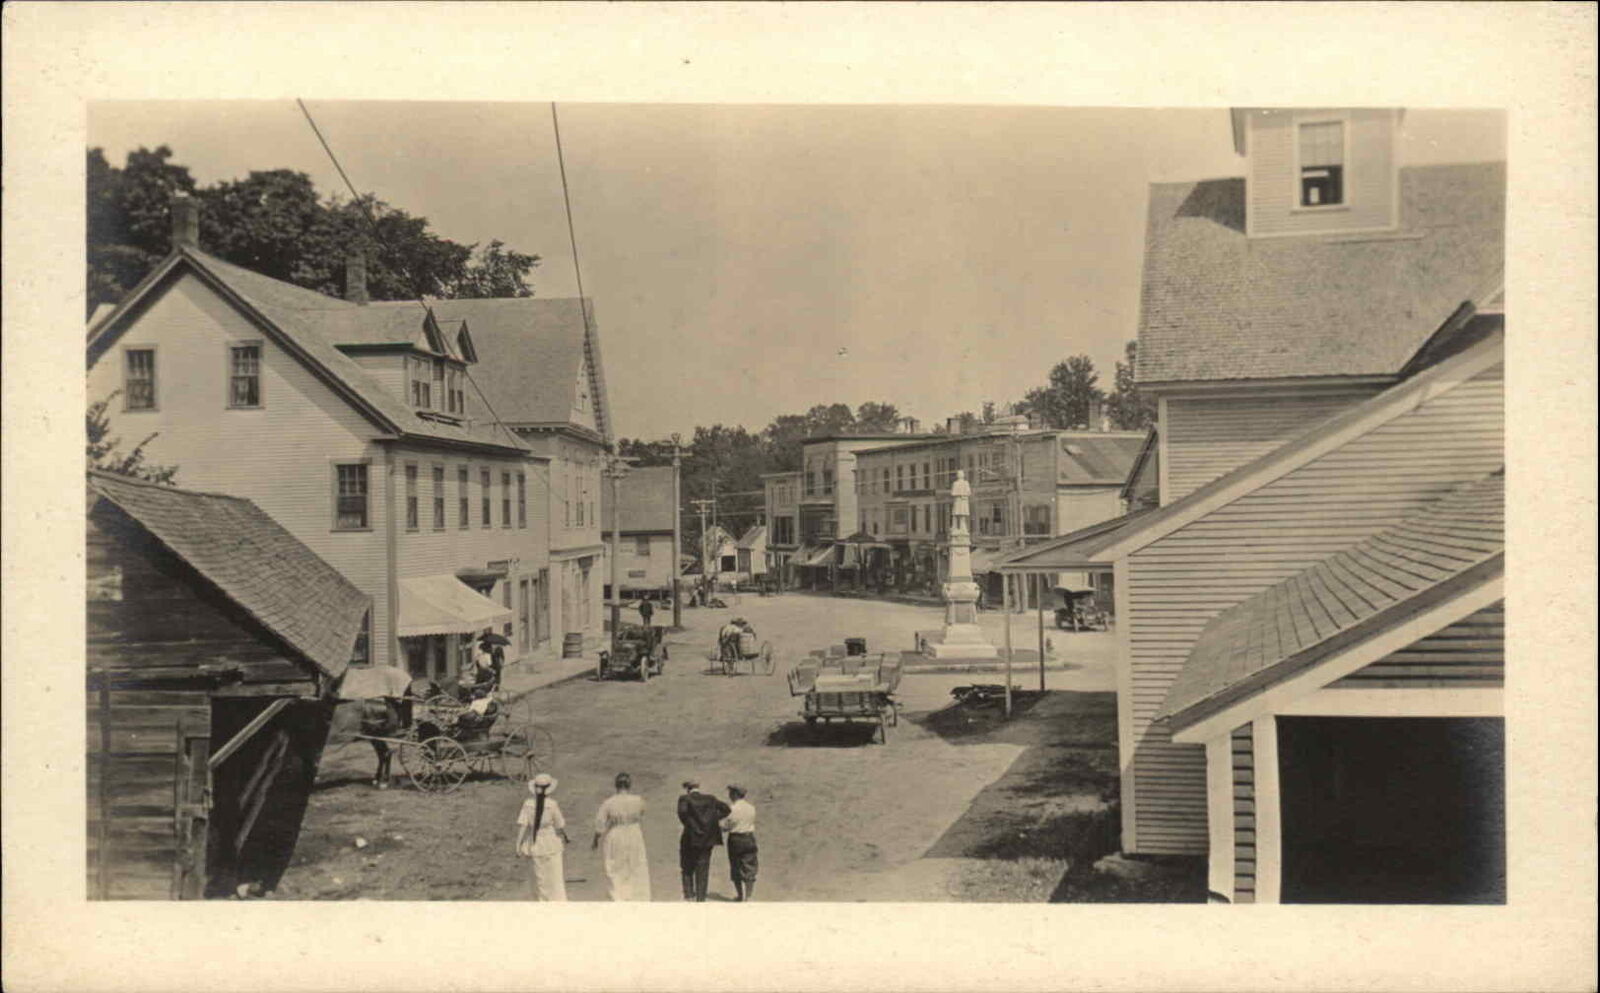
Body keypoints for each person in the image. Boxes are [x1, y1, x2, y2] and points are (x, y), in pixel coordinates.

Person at [592, 772, 651, 901]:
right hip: (634, 832)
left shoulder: (609, 802)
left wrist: (596, 839)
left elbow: (600, 822)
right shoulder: (638, 800)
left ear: (616, 785)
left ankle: (618, 895)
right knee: (635, 863)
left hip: (616, 833)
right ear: (629, 785)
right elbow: (642, 812)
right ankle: (636, 895)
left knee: (615, 865)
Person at [516, 773, 569, 901]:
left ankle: (540, 901)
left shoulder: (528, 804)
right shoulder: (552, 804)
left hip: (534, 843)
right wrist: (565, 836)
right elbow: (560, 825)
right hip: (550, 843)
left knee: (538, 878)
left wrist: (518, 844)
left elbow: (523, 825)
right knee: (554, 877)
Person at [676, 778, 730, 901]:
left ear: (688, 788)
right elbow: (727, 809)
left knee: (687, 866)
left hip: (690, 837)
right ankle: (701, 897)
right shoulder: (710, 799)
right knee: (703, 867)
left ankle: (689, 895)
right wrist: (713, 820)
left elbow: (682, 814)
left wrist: (692, 825)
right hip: (707, 838)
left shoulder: (684, 799)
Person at [720, 784, 759, 902]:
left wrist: (721, 826)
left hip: (736, 839)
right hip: (749, 837)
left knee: (736, 866)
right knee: (750, 866)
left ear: (735, 794)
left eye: (731, 793)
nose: (729, 795)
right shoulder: (751, 807)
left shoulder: (733, 808)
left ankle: (740, 895)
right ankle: (749, 896)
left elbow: (727, 826)